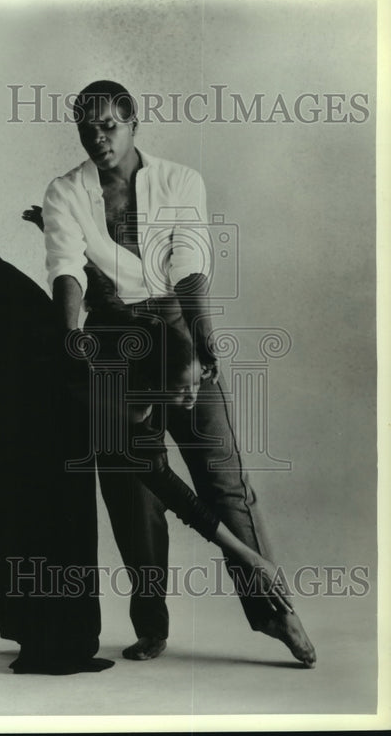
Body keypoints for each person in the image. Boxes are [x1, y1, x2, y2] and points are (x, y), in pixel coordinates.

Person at [0, 143, 310, 676]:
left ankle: (267, 614)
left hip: (63, 392)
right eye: (180, 394)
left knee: (204, 487)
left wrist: (251, 557)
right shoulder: (113, 412)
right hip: (30, 384)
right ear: (147, 393)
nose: (188, 400)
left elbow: (124, 288)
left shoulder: (133, 383)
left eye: (189, 393)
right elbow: (172, 490)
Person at [38, 79, 317, 667]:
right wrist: (69, 337)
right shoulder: (65, 191)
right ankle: (152, 624)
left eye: (109, 125)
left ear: (133, 122)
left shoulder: (179, 181)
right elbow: (65, 267)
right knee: (132, 493)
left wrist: (200, 337)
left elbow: (188, 259)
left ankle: (276, 613)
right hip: (112, 339)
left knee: (224, 481)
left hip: (177, 324)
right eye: (87, 128)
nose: (98, 138)